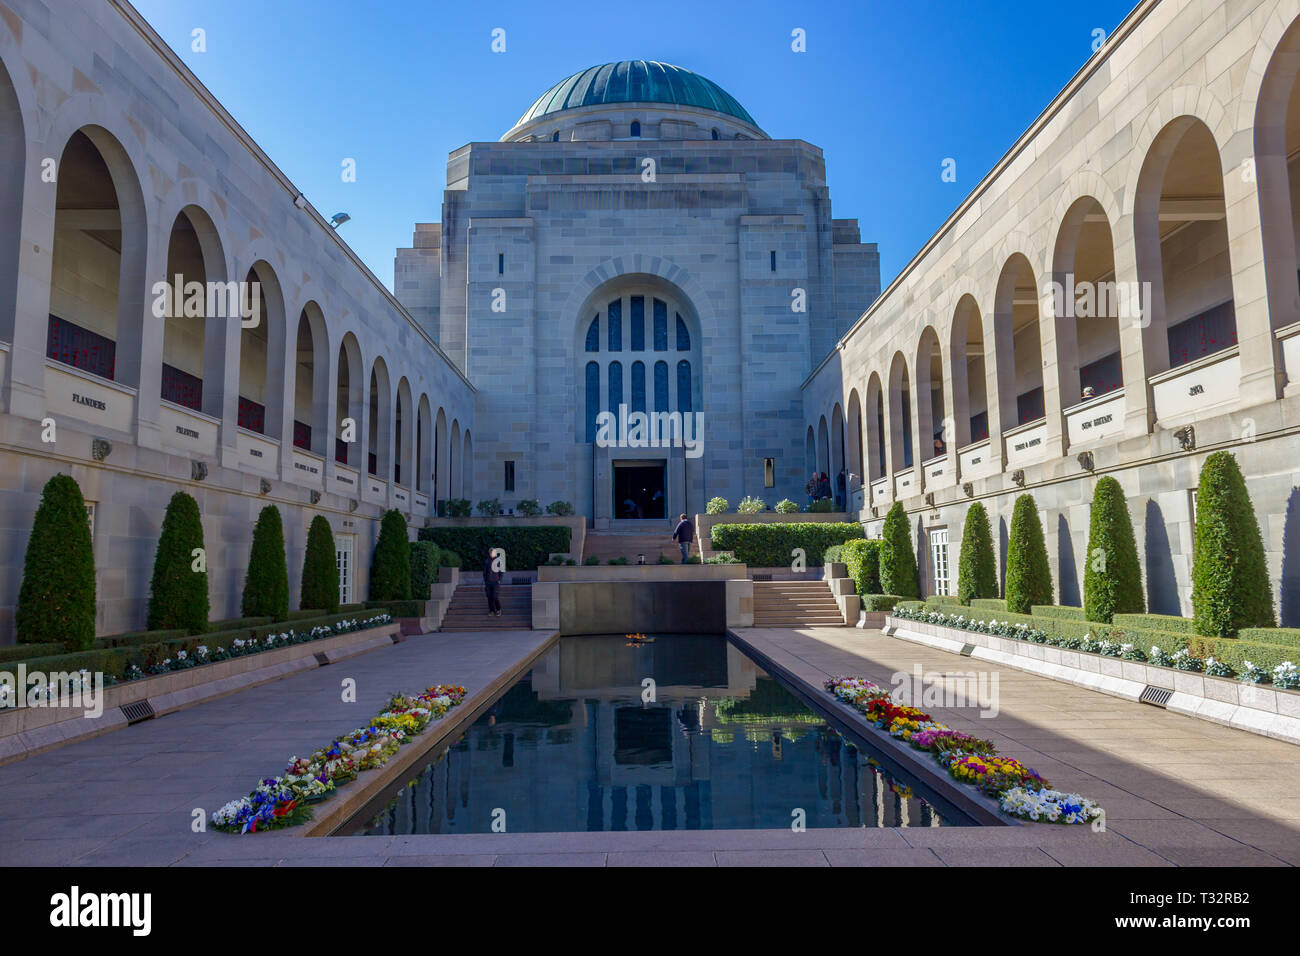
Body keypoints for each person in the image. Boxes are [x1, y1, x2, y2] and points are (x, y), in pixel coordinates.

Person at [482, 547, 504, 617]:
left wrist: (499, 579)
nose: (492, 554)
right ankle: (491, 611)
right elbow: (485, 571)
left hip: (495, 582)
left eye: (493, 552)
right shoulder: (487, 561)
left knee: (495, 596)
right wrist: (485, 580)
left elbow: (501, 571)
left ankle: (498, 609)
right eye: (491, 552)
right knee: (489, 597)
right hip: (488, 582)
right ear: (489, 553)